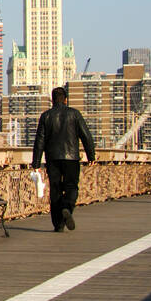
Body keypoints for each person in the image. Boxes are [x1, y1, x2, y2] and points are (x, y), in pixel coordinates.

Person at [32, 86, 96, 232]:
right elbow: (86, 135)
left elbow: (39, 141)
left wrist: (36, 162)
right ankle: (67, 207)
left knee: (55, 190)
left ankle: (58, 224)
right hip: (72, 157)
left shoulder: (46, 116)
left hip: (53, 158)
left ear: (52, 101)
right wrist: (91, 155)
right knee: (71, 186)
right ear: (66, 100)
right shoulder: (74, 114)